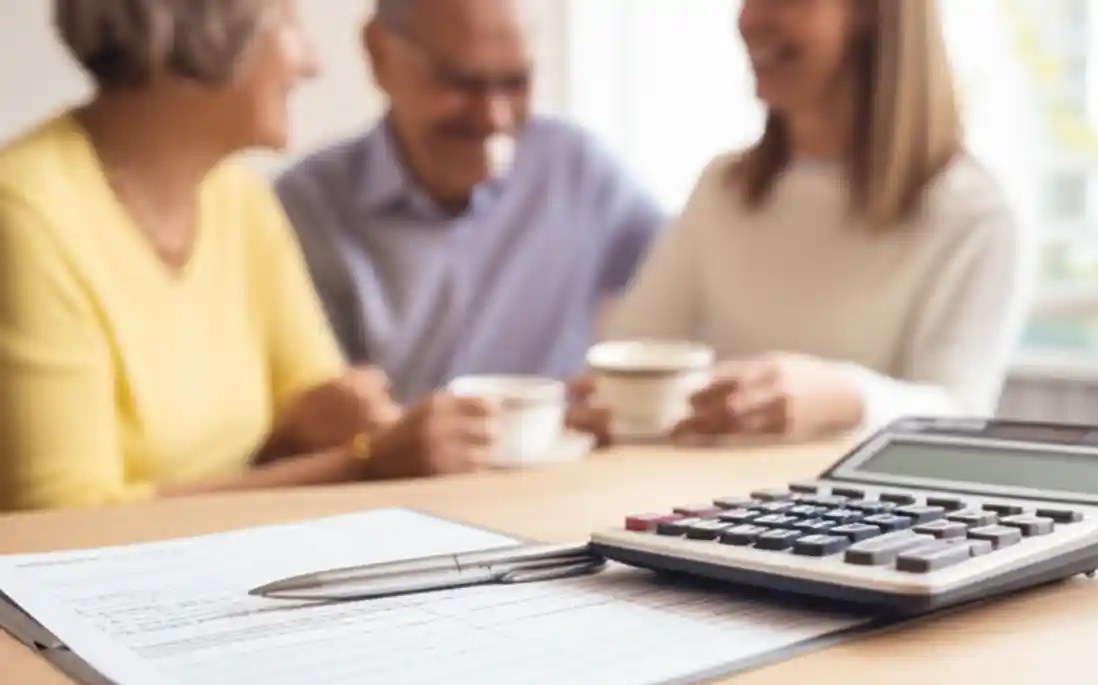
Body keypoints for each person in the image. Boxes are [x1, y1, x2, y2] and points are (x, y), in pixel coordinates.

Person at [0, 0, 496, 512]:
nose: (311, 63)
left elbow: (314, 403)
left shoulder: (236, 195)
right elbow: (61, 519)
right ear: (203, 35)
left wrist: (359, 423)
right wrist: (361, 464)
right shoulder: (23, 214)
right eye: (288, 24)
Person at [587, 0, 1032, 442]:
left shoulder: (974, 215)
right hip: (700, 501)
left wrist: (845, 398)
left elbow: (958, 415)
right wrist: (597, 404)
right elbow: (633, 350)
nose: (750, 18)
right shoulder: (723, 188)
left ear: (871, 14)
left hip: (862, 510)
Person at [275, 0, 663, 405]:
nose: (493, 117)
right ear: (379, 54)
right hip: (393, 468)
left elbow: (696, 274)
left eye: (516, 82)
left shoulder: (578, 173)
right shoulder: (303, 210)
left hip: (562, 463)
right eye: (459, 82)